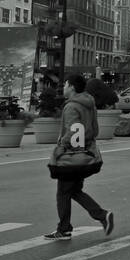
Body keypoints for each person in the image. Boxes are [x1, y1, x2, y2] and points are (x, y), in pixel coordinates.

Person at [45, 73, 113, 242]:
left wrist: (60, 149)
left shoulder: (72, 107)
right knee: (73, 190)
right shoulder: (89, 104)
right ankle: (101, 216)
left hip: (72, 156)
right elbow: (94, 130)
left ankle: (65, 228)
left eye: (66, 84)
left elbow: (74, 133)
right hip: (86, 154)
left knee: (63, 192)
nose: (64, 87)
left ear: (73, 87)